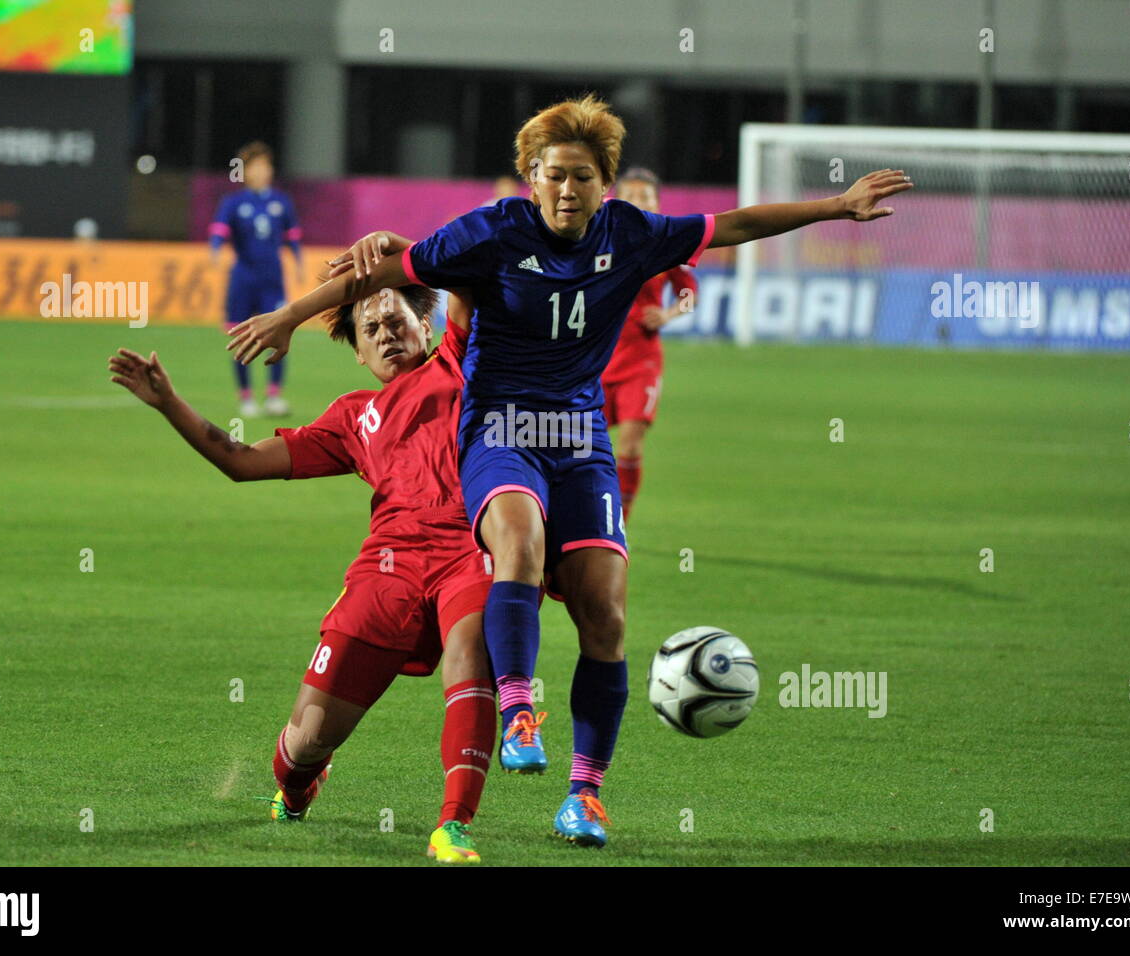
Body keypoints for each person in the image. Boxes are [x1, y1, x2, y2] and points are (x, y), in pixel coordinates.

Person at [226, 95, 913, 848]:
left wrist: (838, 206)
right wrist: (291, 316)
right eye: (552, 175)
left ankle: (584, 796)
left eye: (581, 177)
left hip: (580, 436)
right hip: (499, 426)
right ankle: (520, 709)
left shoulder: (633, 234)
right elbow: (391, 266)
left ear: (603, 185)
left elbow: (735, 226)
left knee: (606, 617)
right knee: (515, 542)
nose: (565, 190)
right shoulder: (492, 231)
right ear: (531, 177)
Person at [109, 285, 498, 864]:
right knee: (307, 738)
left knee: (472, 655)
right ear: (359, 356)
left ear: (426, 323)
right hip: (387, 570)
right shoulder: (353, 417)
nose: (386, 332)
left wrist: (394, 257)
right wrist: (170, 403)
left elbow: (470, 276)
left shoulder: (462, 362)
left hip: (472, 551)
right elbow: (241, 463)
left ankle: (453, 825)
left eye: (396, 320)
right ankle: (299, 784)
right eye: (371, 330)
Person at [601, 167, 698, 521]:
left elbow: (690, 293)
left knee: (629, 445)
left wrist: (670, 313)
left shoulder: (665, 244)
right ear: (616, 200)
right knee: (575, 445)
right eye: (632, 196)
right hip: (595, 362)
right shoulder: (597, 239)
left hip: (641, 363)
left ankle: (620, 519)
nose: (640, 202)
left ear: (658, 203)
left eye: (647, 197)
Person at [209, 141, 305, 419]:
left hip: (272, 278)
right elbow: (219, 231)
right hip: (243, 278)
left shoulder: (281, 201)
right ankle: (246, 398)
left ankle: (274, 395)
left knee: (279, 332)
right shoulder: (234, 203)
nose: (264, 171)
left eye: (267, 165)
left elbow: (293, 238)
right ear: (246, 171)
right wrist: (215, 249)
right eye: (258, 166)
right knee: (241, 336)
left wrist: (298, 264)